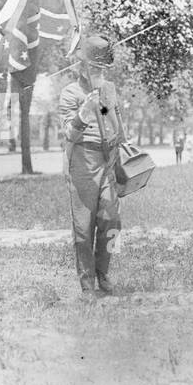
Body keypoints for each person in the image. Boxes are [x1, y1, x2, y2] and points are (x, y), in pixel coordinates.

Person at [57, 34, 126, 296]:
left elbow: (115, 124)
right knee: (83, 229)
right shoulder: (70, 93)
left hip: (108, 158)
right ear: (80, 66)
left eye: (103, 68)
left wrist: (120, 145)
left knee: (113, 222)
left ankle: (104, 272)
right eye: (95, 67)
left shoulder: (109, 89)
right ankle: (87, 284)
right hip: (83, 162)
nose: (99, 72)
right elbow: (69, 135)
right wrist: (84, 113)